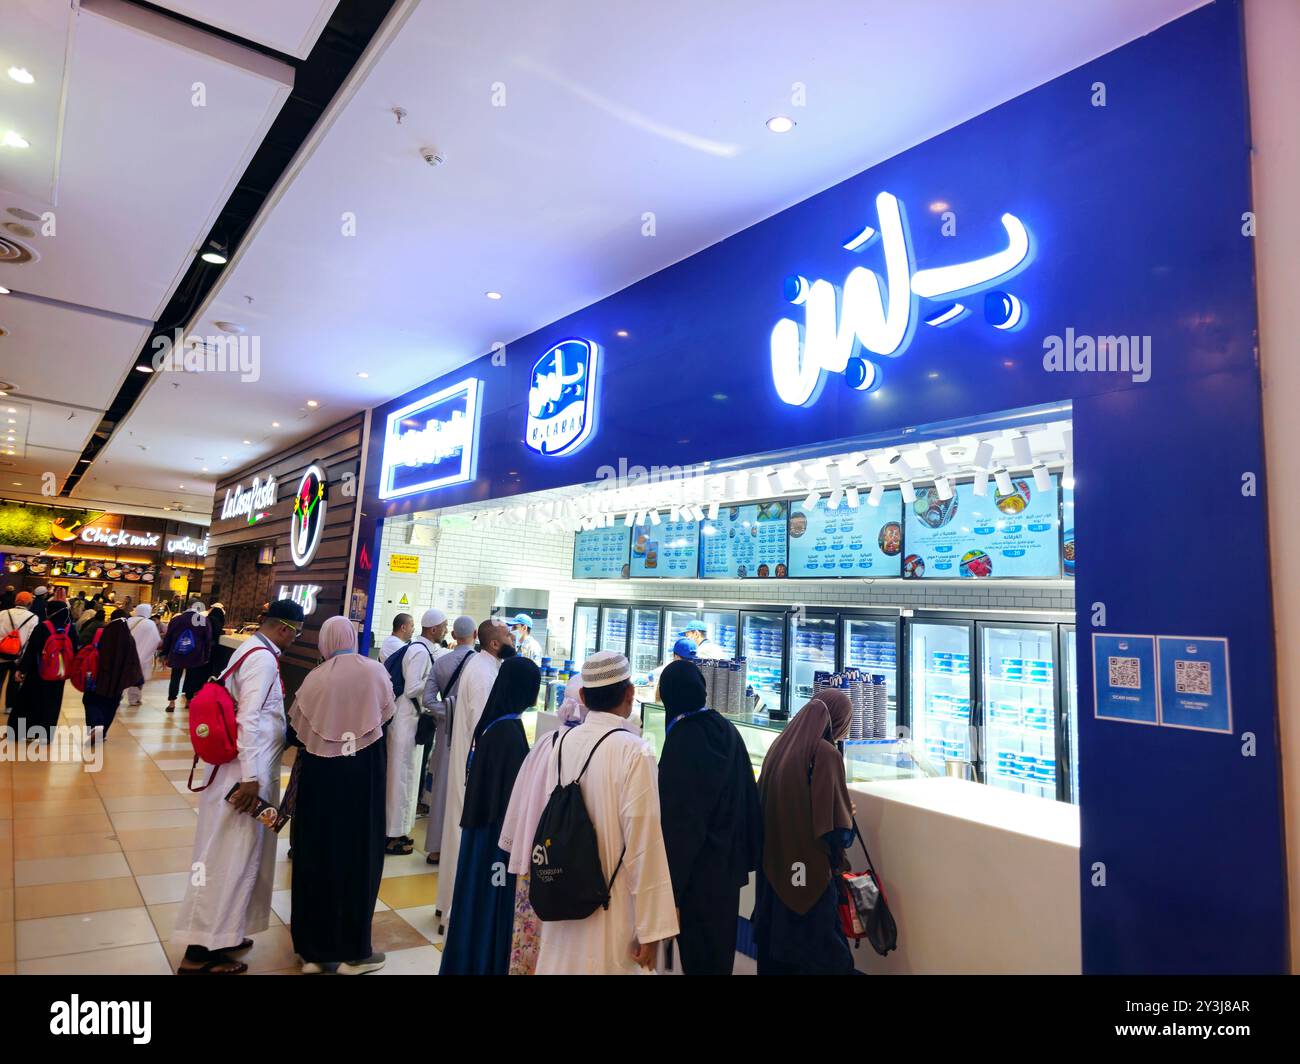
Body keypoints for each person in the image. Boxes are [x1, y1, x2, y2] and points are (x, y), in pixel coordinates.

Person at [173, 599, 304, 974]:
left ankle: (224, 934)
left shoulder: (251, 649)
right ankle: (200, 953)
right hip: (244, 777)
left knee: (239, 856)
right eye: (296, 633)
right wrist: (250, 778)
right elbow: (248, 717)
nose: (296, 640)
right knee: (228, 858)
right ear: (284, 628)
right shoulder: (262, 659)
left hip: (243, 771)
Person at [535, 652, 678, 975]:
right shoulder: (635, 750)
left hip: (562, 896)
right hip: (610, 906)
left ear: (583, 696)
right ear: (630, 694)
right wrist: (652, 930)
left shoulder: (562, 740)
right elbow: (645, 843)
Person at [286, 616, 395, 975]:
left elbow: (297, 732)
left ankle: (314, 953)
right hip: (362, 783)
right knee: (358, 858)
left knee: (316, 858)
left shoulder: (314, 679)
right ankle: (354, 952)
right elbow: (386, 718)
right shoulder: (374, 671)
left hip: (321, 785)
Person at [657, 660, 762, 974]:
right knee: (719, 955)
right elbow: (748, 795)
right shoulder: (726, 729)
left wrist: (672, 885)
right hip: (727, 869)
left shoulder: (683, 739)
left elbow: (682, 821)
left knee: (698, 956)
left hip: (696, 875)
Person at [441, 656, 540, 975]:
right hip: (497, 839)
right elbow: (514, 796)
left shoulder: (495, 724)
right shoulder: (509, 732)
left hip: (481, 836)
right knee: (491, 905)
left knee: (475, 902)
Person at [753, 690, 856, 975]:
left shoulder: (780, 747)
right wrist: (848, 815)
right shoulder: (825, 754)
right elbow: (836, 832)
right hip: (808, 880)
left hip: (774, 874)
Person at [499, 673, 585, 974]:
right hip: (567, 868)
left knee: (529, 940)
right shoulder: (586, 749)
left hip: (532, 858)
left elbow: (521, 799)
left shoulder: (545, 742)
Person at [434, 617, 513, 925]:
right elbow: (484, 729)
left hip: (469, 764)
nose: (513, 639)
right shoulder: (482, 674)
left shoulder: (487, 666)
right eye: (508, 635)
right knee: (462, 832)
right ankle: (456, 910)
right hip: (471, 768)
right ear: (494, 643)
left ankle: (451, 905)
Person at [385, 607, 445, 855]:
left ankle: (398, 831)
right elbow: (411, 688)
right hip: (405, 719)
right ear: (433, 629)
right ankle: (392, 835)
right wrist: (433, 678)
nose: (445, 630)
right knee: (401, 778)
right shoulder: (420, 652)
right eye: (443, 626)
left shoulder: (419, 649)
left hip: (410, 719)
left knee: (406, 777)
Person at [422, 614, 477, 865]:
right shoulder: (481, 665)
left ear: (453, 636)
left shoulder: (441, 662)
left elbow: (428, 699)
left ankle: (435, 849)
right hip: (472, 736)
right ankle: (460, 849)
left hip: (445, 734)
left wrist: (448, 712)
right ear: (475, 635)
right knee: (467, 792)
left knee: (442, 789)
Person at [9, 600, 78, 741]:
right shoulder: (70, 629)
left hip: (38, 672)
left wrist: (21, 669)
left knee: (29, 700)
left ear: (50, 611)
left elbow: (31, 650)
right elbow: (74, 651)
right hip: (59, 673)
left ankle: (21, 732)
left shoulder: (43, 627)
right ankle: (45, 735)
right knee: (52, 703)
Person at [83, 612, 145, 745]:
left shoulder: (101, 633)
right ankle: (102, 732)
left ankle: (95, 725)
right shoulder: (128, 639)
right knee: (110, 707)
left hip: (97, 678)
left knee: (91, 702)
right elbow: (134, 661)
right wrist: (139, 680)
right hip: (117, 682)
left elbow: (85, 646)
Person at [161, 600, 212, 713]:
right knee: (192, 677)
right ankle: (189, 700)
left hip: (177, 653)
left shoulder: (176, 619)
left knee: (175, 677)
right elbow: (208, 640)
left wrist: (165, 653)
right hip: (195, 654)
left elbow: (168, 637)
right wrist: (206, 655)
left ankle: (172, 702)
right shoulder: (203, 620)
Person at [0, 591, 37, 710]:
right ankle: (9, 706)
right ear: (30, 603)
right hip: (19, 655)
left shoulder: (3, 613)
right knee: (14, 682)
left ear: (16, 600)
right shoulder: (33, 617)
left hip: (1, 652)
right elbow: (30, 639)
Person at [123, 603, 163, 706]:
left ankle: (118, 697)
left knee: (123, 676)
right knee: (138, 678)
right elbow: (156, 640)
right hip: (142, 656)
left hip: (126, 654)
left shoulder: (128, 621)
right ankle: (134, 699)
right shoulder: (149, 624)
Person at [205, 602, 231, 679]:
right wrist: (225, 632)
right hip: (211, 648)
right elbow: (216, 631)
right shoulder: (215, 620)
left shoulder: (208, 618)